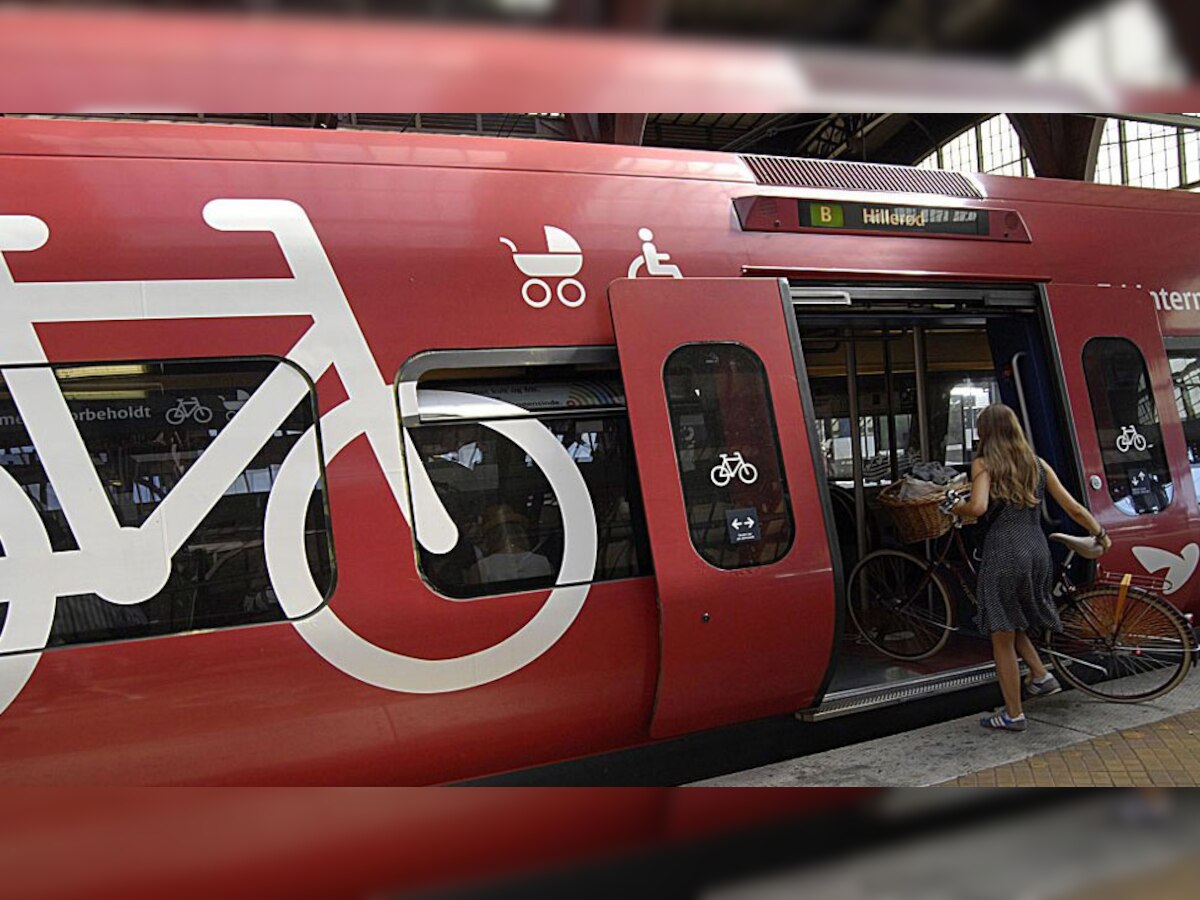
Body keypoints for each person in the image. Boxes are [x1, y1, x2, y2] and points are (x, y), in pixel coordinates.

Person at [942, 403, 1111, 732]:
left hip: (1004, 553)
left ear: (985, 433)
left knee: (1000, 636)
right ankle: (1040, 674)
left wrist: (952, 506)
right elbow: (1073, 508)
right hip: (1037, 552)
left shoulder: (984, 464)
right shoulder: (1037, 465)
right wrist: (1099, 533)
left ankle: (1013, 714)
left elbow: (976, 508)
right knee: (1010, 618)